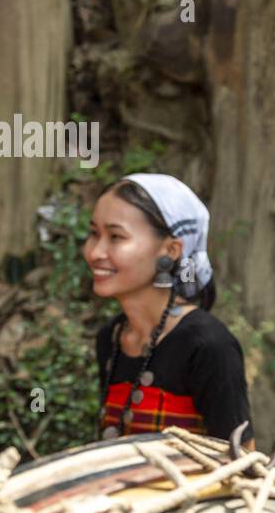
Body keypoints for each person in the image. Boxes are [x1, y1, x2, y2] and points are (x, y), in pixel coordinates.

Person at [83, 174, 253, 446]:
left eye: (116, 237)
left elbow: (243, 465)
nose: (94, 252)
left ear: (171, 249)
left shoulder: (209, 345)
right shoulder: (111, 338)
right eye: (94, 234)